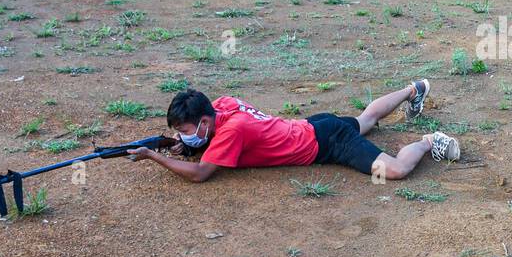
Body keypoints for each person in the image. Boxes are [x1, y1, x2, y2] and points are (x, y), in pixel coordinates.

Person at [126, 79, 460, 182]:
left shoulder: (231, 131)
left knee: (397, 169)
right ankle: (413, 90)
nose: (185, 136)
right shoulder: (222, 104)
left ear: (204, 121)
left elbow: (200, 174)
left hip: (327, 142)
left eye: (187, 131)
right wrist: (187, 144)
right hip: (312, 125)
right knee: (366, 120)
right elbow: (209, 142)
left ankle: (430, 141)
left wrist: (154, 156)